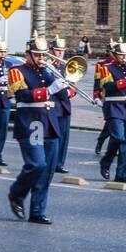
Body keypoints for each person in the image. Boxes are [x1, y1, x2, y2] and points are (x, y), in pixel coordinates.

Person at [6, 35, 72, 225]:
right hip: (30, 122)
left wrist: (63, 84)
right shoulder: (17, 70)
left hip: (50, 122)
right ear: (28, 54)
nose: (42, 59)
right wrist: (50, 90)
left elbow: (62, 94)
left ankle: (37, 211)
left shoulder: (50, 71)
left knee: (48, 170)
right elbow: (22, 95)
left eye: (43, 55)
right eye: (37, 55)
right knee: (37, 164)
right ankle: (16, 193)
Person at [95, 38, 126, 183]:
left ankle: (121, 173)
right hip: (114, 107)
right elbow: (107, 86)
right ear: (114, 54)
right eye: (121, 55)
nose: (124, 58)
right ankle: (106, 162)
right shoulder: (107, 68)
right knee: (118, 137)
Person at [47, 35, 77, 174]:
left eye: (62, 50)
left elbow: (74, 86)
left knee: (64, 137)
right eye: (57, 50)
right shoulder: (47, 66)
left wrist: (70, 93)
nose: (60, 53)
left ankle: (59, 163)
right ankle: (50, 162)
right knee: (53, 136)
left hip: (64, 105)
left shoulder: (67, 67)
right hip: (52, 105)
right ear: (52, 50)